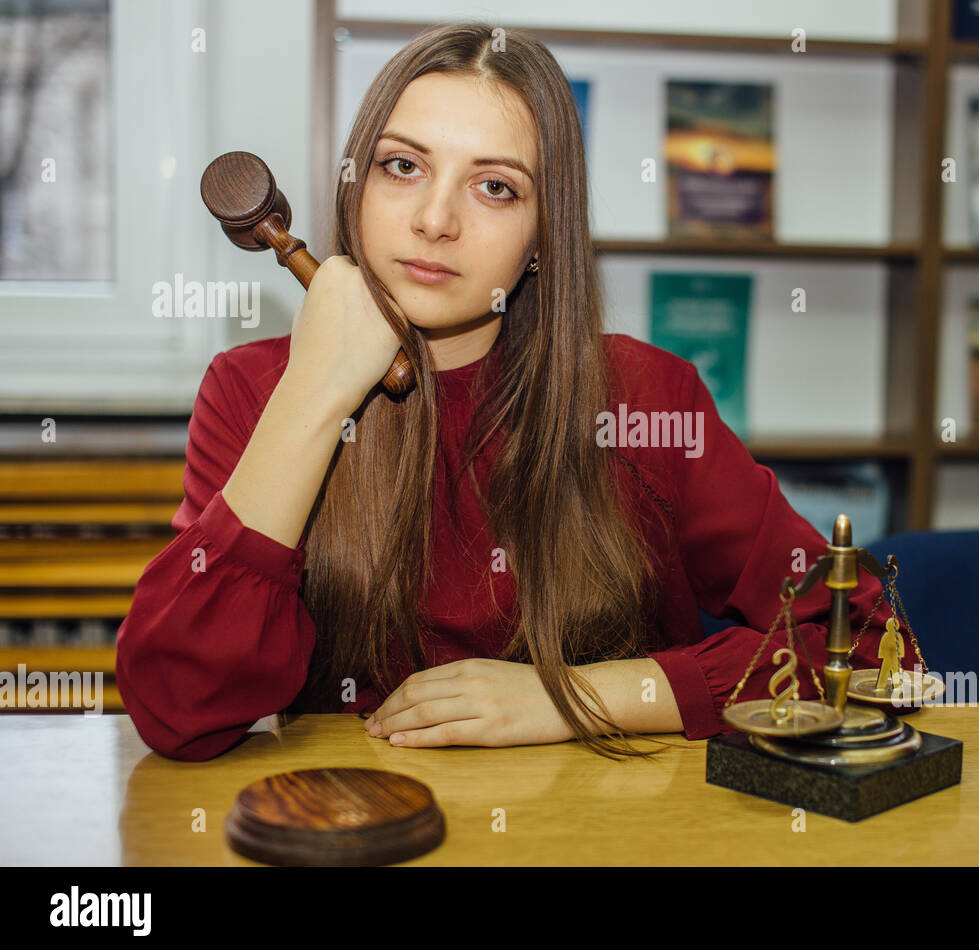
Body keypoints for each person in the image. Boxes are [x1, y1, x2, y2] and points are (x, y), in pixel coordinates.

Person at [115, 22, 916, 762]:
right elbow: (182, 710)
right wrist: (313, 397)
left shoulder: (643, 397)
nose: (434, 220)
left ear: (542, 238)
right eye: (403, 167)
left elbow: (875, 644)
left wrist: (573, 698)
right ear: (355, 186)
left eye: (495, 187)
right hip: (360, 827)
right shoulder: (254, 390)